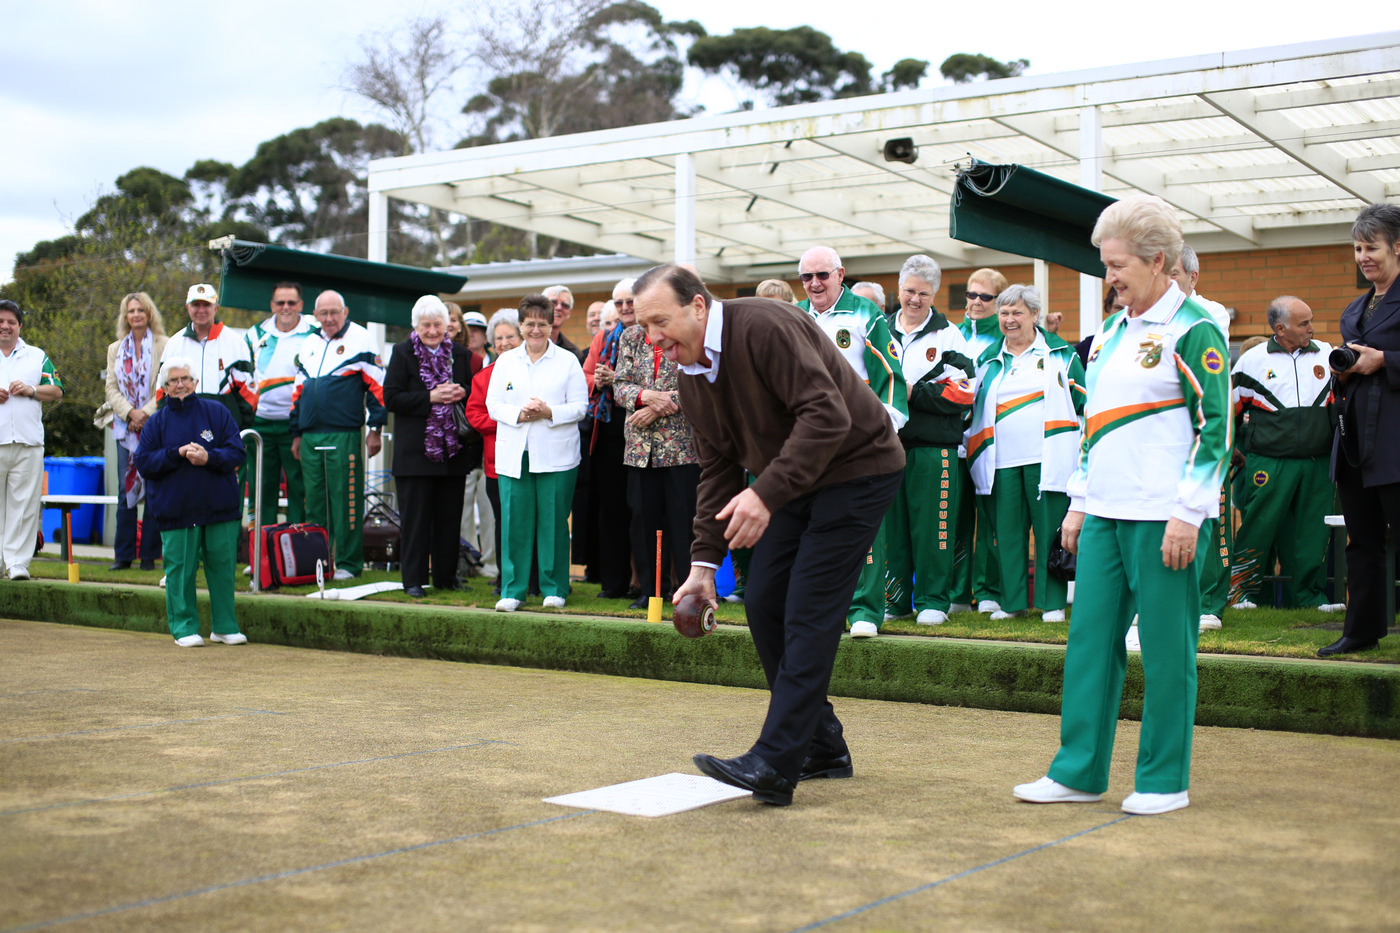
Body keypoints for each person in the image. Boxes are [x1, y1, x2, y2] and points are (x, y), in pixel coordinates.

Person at [635, 263, 904, 806]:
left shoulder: (765, 326)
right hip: (796, 480)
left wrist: (764, 494)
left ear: (699, 307)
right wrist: (704, 567)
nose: (652, 338)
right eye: (645, 327)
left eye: (660, 321)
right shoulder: (690, 376)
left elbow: (827, 417)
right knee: (763, 602)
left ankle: (777, 760)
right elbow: (717, 471)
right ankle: (823, 744)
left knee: (808, 608)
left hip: (859, 468)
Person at [1013, 194, 1231, 816]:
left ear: (1158, 261)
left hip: (1166, 518)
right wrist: (1079, 506)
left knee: (1165, 652)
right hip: (1105, 514)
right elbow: (1093, 427)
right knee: (1089, 645)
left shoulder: (1196, 329)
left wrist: (1189, 512)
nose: (1108, 278)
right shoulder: (1109, 332)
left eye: (1117, 266)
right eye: (1104, 265)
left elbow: (1217, 430)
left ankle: (1165, 780)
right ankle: (1078, 771)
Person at [797, 245, 907, 638]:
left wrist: (885, 426)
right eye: (807, 277)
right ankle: (823, 606)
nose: (814, 284)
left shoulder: (867, 314)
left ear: (840, 275)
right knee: (813, 522)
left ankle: (865, 610)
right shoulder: (794, 316)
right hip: (809, 438)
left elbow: (891, 374)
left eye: (822, 275)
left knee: (861, 521)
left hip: (858, 437)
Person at [966, 285, 1085, 623]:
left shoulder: (1062, 354)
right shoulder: (987, 359)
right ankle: (1013, 602)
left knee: (1050, 531)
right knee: (1008, 533)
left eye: (1017, 312)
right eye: (1004, 313)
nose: (1009, 319)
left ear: (1035, 315)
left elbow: (1084, 403)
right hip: (1000, 461)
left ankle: (1052, 605)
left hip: (1048, 459)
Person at [1320, 203, 1400, 657]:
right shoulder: (1356, 307)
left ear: (1397, 247)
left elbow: (1382, 360)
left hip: (1394, 442)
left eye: (1371, 247)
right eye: (1357, 248)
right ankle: (1361, 630)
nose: (1363, 255)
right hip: (1355, 446)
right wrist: (1344, 371)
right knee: (1361, 541)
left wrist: (1385, 360)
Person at [1229, 296, 1341, 612]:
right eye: (1303, 323)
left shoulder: (1328, 354)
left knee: (1313, 532)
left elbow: (1341, 406)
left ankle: (1310, 598)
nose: (1311, 328)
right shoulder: (1252, 360)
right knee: (1258, 527)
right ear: (1281, 328)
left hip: (1317, 463)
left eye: (1310, 320)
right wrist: (1235, 448)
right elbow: (1229, 411)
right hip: (1268, 462)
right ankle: (1243, 595)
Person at [882, 255, 976, 626]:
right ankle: (897, 601)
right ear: (899, 288)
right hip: (887, 447)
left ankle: (933, 600)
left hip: (933, 448)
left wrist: (907, 392)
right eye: (909, 291)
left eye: (923, 293)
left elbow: (961, 393)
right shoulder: (880, 330)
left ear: (933, 293)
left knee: (933, 529)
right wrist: (918, 391)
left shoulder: (950, 335)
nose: (915, 299)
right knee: (893, 528)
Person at [135, 356, 246, 647]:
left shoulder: (217, 412)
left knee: (222, 570)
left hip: (219, 508)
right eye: (173, 380)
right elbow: (144, 463)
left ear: (195, 382)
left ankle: (224, 626)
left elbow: (237, 452)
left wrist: (209, 457)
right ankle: (184, 628)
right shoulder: (156, 422)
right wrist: (176, 453)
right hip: (177, 510)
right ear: (165, 387)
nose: (180, 384)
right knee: (179, 571)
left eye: (185, 379)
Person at [486, 295, 587, 611]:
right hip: (515, 454)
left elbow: (580, 407)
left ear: (550, 325)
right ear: (520, 325)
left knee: (553, 522)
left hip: (557, 456)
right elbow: (494, 405)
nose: (535, 330)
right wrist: (520, 414)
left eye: (542, 324)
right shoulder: (505, 361)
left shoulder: (567, 361)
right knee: (514, 521)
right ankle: (512, 590)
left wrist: (547, 411)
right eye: (529, 324)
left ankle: (554, 587)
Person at [289, 290, 386, 581]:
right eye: (323, 313)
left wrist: (375, 430)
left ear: (345, 312)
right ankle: (317, 562)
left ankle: (348, 563)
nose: (329, 318)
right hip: (310, 436)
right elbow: (298, 392)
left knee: (346, 500)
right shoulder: (308, 343)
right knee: (315, 502)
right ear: (315, 315)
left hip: (344, 434)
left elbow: (379, 388)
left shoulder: (362, 338)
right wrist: (296, 433)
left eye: (334, 312)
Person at [612, 295, 699, 610]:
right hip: (639, 449)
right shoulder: (631, 336)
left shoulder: (687, 331)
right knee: (643, 520)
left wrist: (661, 405)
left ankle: (690, 593)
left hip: (682, 448)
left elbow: (701, 383)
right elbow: (619, 385)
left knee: (684, 521)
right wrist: (646, 396)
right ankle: (650, 592)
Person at [383, 296, 473, 598]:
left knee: (449, 518)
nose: (433, 331)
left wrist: (462, 391)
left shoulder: (459, 354)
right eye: (427, 325)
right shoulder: (402, 352)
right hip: (415, 453)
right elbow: (392, 398)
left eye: (438, 325)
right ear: (416, 326)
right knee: (417, 520)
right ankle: (413, 580)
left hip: (452, 451)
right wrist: (430, 397)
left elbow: (474, 393)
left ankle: (447, 577)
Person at [1171, 245, 1233, 632]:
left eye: (1173, 274)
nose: (1165, 283)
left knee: (1209, 512)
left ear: (1193, 277)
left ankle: (1210, 602)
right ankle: (1172, 599)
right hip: (1164, 436)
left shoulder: (1210, 313)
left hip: (1205, 429)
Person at [955, 268, 1009, 614]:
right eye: (971, 295)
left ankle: (989, 590)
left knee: (991, 521)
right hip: (953, 441)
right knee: (955, 519)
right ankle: (957, 593)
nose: (975, 302)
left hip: (991, 443)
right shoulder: (952, 334)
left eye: (984, 297)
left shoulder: (1005, 339)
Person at [581, 278, 638, 599]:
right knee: (612, 511)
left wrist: (618, 379)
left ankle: (639, 581)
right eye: (619, 303)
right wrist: (600, 379)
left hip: (642, 432)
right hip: (608, 432)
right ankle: (613, 582)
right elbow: (586, 374)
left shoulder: (652, 334)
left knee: (640, 511)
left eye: (630, 301)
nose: (625, 308)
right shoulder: (603, 337)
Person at [104, 291, 168, 571]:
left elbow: (168, 383)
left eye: (141, 310)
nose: (136, 315)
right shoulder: (115, 349)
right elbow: (110, 388)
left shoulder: (165, 345)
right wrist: (130, 413)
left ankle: (148, 557)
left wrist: (145, 413)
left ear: (149, 313)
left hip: (155, 427)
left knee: (154, 490)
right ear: (125, 316)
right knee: (125, 491)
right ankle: (123, 555)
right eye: (131, 311)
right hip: (125, 428)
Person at [0, 300, 63, 581]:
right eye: (0, 321)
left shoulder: (36, 356)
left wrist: (30, 389)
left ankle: (17, 564)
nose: (5, 326)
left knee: (24, 506)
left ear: (20, 326)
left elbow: (57, 390)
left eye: (11, 322)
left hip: (28, 443)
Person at [247, 282, 314, 525]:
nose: (286, 307)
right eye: (280, 303)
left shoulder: (314, 332)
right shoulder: (254, 334)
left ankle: (298, 552)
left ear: (301, 305)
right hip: (261, 423)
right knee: (261, 489)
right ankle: (261, 555)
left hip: (296, 425)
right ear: (272, 305)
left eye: (291, 303)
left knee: (299, 489)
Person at [467, 311, 522, 592]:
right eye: (498, 338)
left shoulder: (533, 372)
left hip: (532, 461)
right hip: (496, 464)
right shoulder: (484, 377)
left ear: (521, 336)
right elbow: (475, 415)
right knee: (504, 522)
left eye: (510, 336)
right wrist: (510, 421)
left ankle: (534, 580)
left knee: (531, 522)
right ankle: (505, 578)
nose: (504, 343)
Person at [159, 284, 257, 430]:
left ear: (216, 308)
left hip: (224, 432)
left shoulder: (235, 342)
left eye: (206, 305)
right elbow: (161, 391)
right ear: (187, 307)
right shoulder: (174, 344)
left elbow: (249, 392)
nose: (201, 310)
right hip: (183, 430)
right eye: (196, 305)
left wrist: (238, 427)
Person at [544, 285, 585, 361]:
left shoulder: (574, 354)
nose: (559, 307)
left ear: (569, 313)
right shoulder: (523, 342)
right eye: (553, 302)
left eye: (565, 305)